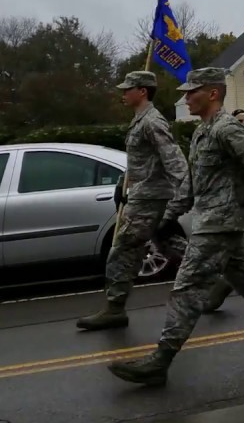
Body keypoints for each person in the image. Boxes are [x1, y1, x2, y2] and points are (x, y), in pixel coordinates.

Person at [107, 68, 244, 386]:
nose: (186, 98)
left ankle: (161, 360)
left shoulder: (227, 129)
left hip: (219, 224)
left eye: (192, 92)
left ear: (213, 93)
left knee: (186, 288)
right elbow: (193, 184)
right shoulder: (203, 132)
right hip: (216, 222)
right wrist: (169, 216)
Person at [77, 71, 189, 331]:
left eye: (128, 89)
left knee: (123, 250)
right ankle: (216, 277)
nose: (123, 93)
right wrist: (123, 184)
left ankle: (114, 308)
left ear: (143, 91)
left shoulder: (152, 122)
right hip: (143, 194)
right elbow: (142, 161)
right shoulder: (141, 120)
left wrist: (181, 198)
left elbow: (175, 163)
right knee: (168, 243)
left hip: (149, 198)